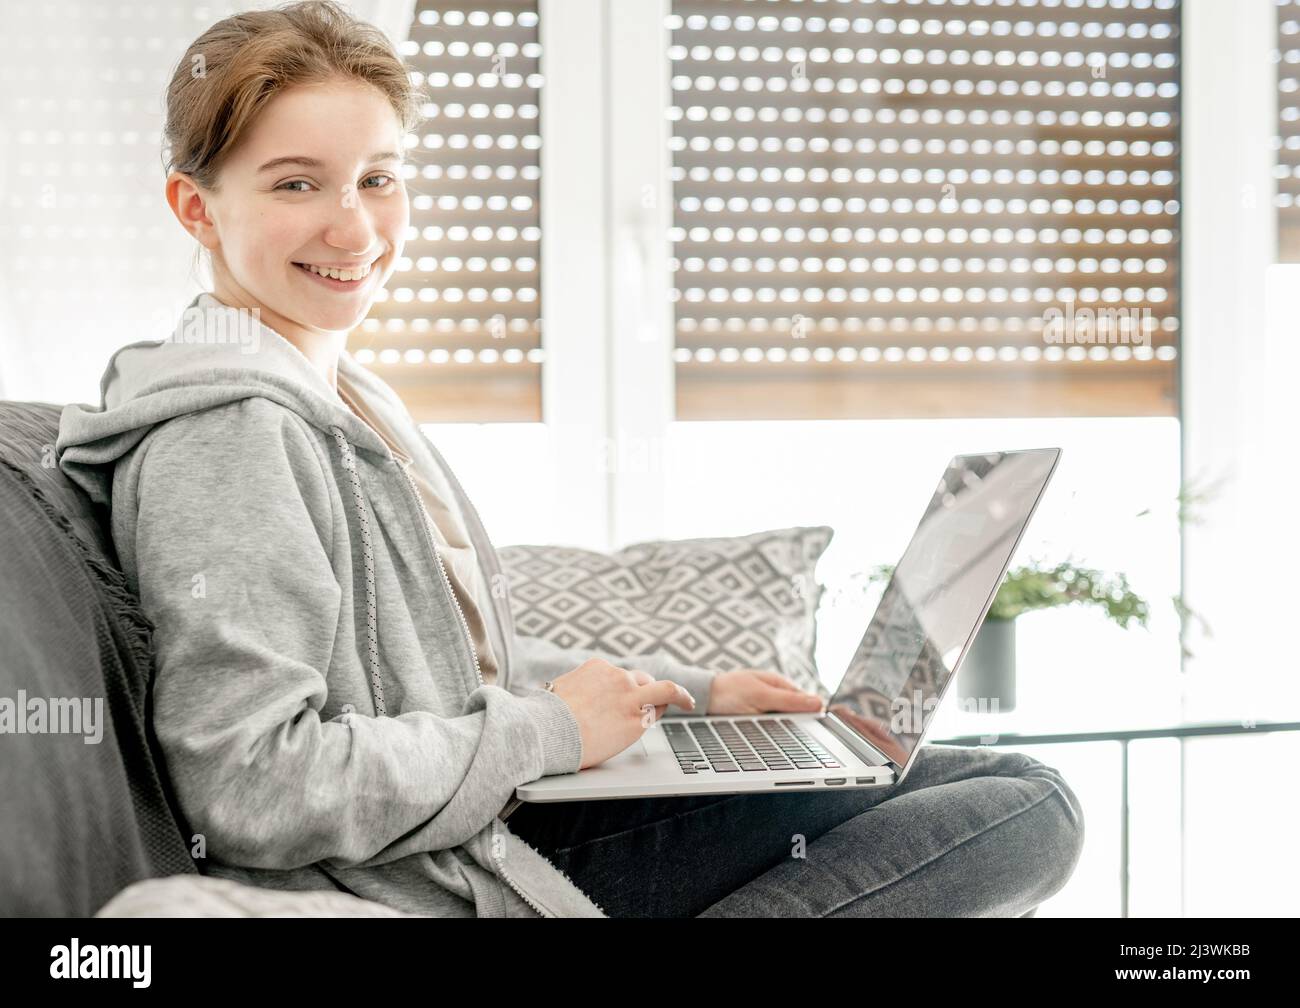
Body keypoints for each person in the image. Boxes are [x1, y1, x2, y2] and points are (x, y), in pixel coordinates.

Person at [56, 0, 1084, 918]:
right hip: (456, 863)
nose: (354, 224)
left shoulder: (339, 395)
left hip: (491, 816)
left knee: (966, 783)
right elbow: (251, 784)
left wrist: (692, 693)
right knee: (1028, 807)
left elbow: (447, 679)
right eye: (296, 183)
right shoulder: (229, 433)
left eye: (379, 177)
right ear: (196, 208)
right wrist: (550, 731)